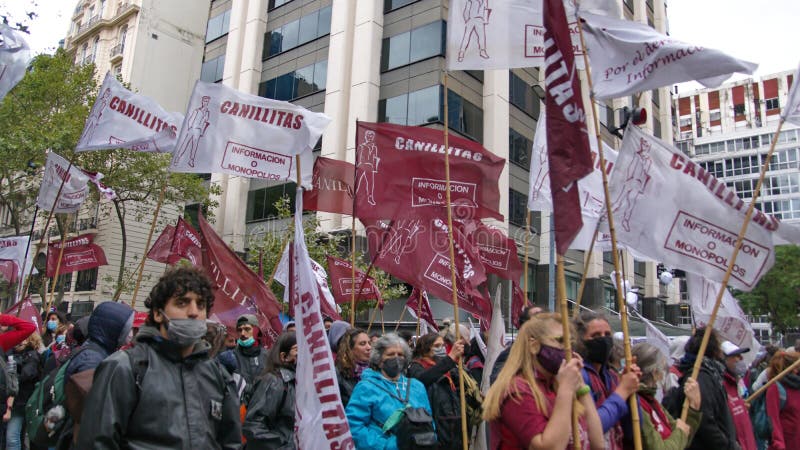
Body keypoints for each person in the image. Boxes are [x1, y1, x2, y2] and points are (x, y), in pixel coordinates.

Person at [76, 266, 241, 448]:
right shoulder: (125, 368)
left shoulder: (217, 375)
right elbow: (96, 442)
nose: (194, 312)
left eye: (200, 305)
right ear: (157, 313)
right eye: (182, 303)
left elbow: (230, 442)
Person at [482, 313, 604, 450]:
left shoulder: (555, 386)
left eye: (570, 343)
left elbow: (597, 444)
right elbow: (550, 447)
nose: (567, 349)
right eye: (560, 340)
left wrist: (581, 387)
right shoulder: (517, 391)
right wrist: (566, 389)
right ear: (534, 345)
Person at [345, 333, 433, 449]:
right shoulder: (365, 387)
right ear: (379, 360)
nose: (396, 358)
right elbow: (354, 426)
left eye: (400, 354)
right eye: (391, 354)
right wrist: (388, 445)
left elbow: (429, 420)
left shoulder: (417, 386)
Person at [574, 311, 641, 450]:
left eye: (607, 335)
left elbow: (633, 429)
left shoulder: (612, 376)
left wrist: (631, 391)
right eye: (596, 336)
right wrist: (622, 392)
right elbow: (591, 428)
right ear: (581, 341)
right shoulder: (578, 376)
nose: (603, 340)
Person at [665, 327, 739, 450]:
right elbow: (705, 422)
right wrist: (727, 445)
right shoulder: (700, 378)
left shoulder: (711, 374)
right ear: (713, 349)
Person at [408, 331, 481, 449]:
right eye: (437, 346)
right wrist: (450, 358)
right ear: (424, 348)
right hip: (435, 426)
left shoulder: (449, 368)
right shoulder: (416, 367)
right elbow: (424, 379)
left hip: (453, 426)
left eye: (443, 346)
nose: (441, 349)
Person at [629, 342, 702, 450]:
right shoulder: (637, 404)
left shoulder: (652, 401)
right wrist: (681, 432)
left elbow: (682, 439)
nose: (663, 375)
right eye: (661, 370)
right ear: (654, 372)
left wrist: (693, 409)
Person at [243, 332, 297, 449]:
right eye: (297, 349)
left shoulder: (301, 383)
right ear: (284, 356)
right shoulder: (274, 382)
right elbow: (254, 426)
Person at [5, 332, 42, 450]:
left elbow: (26, 375)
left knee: (12, 437)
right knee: (17, 435)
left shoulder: (32, 356)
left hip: (21, 402)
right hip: (17, 401)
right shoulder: (10, 353)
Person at [490, 305, 543, 383]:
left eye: (545, 318)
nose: (543, 323)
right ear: (525, 326)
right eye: (537, 317)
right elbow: (499, 385)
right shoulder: (511, 354)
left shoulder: (551, 355)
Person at [720, 341, 757, 450]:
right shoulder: (720, 384)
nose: (741, 358)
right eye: (736, 355)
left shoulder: (736, 382)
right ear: (724, 359)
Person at [226, 314, 267, 404]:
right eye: (239, 330)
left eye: (247, 329)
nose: (243, 334)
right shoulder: (230, 357)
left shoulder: (267, 356)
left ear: (256, 330)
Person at [765, 351, 800, 450]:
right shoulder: (776, 388)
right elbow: (773, 420)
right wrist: (779, 445)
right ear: (794, 369)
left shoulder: (798, 386)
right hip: (786, 445)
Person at [335, 328, 371, 407]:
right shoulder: (338, 374)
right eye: (362, 344)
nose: (369, 347)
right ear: (350, 349)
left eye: (369, 343)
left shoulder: (376, 371)